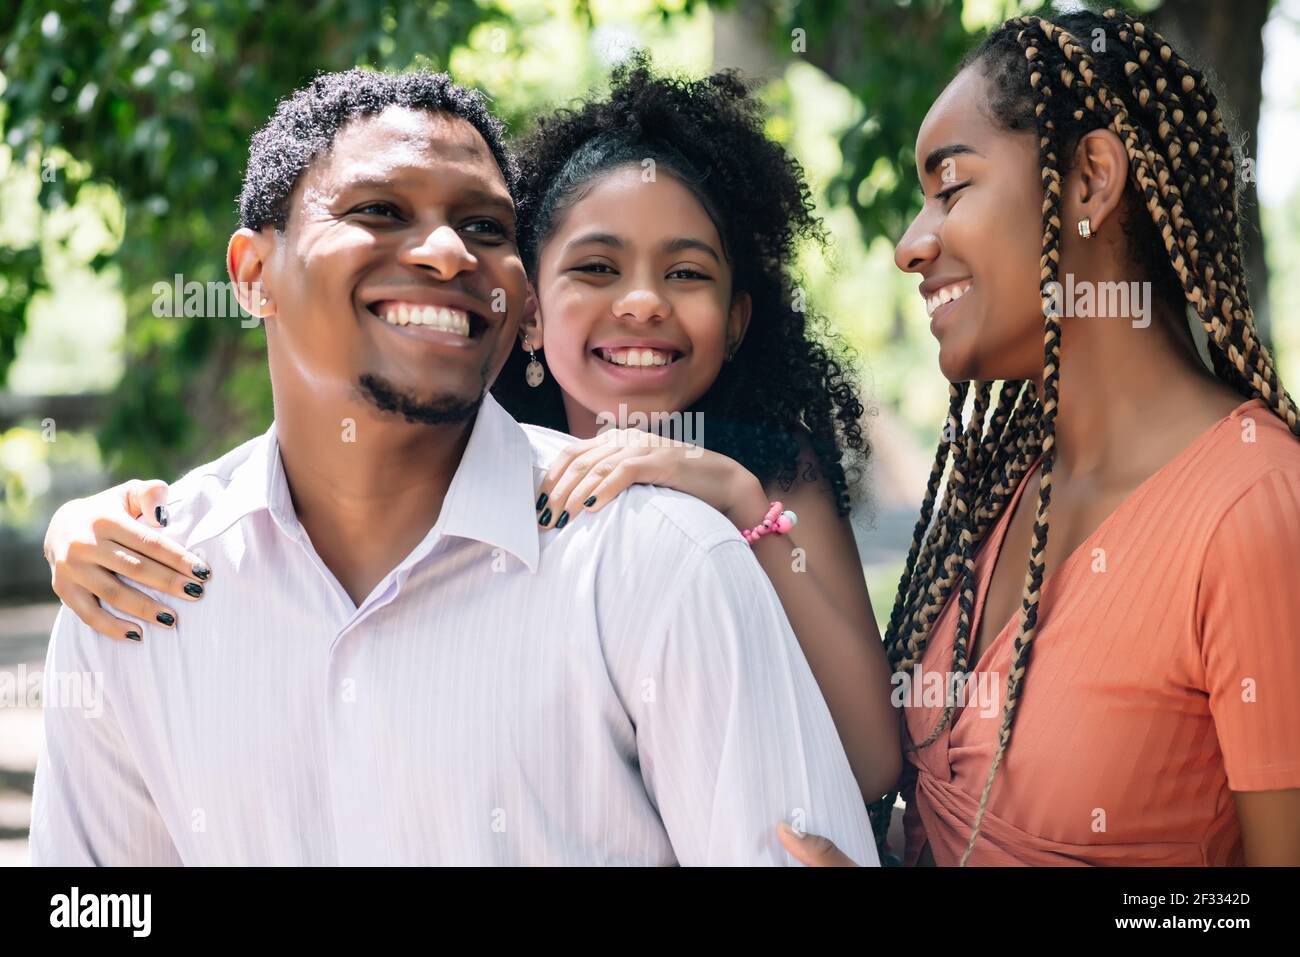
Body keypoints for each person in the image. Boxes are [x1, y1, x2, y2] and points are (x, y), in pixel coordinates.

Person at [29, 68, 878, 866]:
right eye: (379, 210)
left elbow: (866, 764)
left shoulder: (668, 556)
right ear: (254, 273)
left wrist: (737, 506)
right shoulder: (131, 589)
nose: (445, 253)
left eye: (484, 227)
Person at [779, 8, 1300, 867]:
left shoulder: (1256, 509)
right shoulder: (1002, 485)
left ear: (1090, 178)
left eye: (951, 187)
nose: (911, 245)